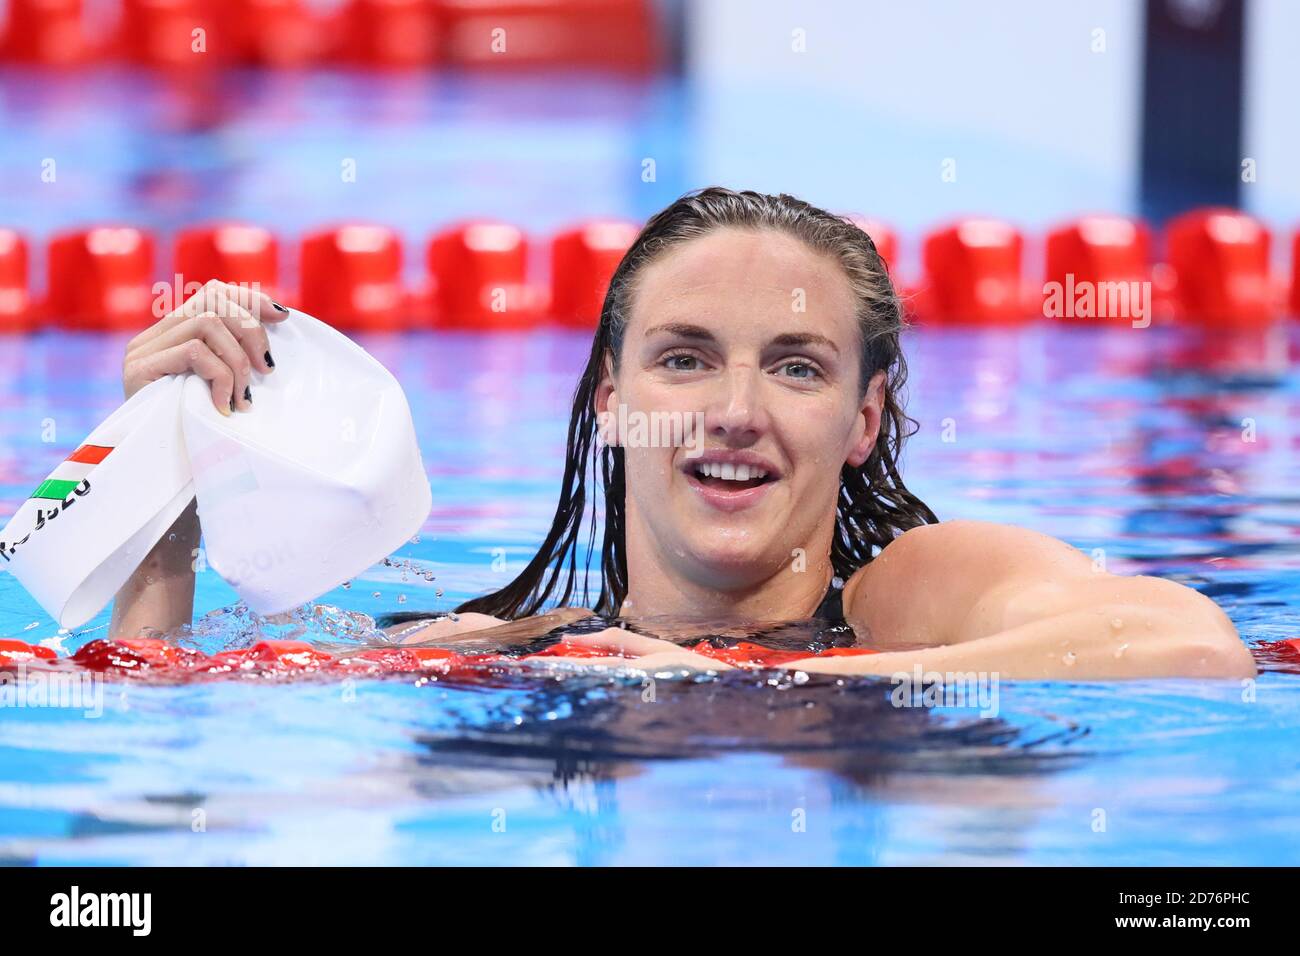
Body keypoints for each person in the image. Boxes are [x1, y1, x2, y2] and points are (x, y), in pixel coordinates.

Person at [109, 188, 1255, 680]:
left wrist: (763, 687)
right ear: (611, 397)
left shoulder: (904, 596)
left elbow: (1192, 649)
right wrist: (162, 509)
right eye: (685, 356)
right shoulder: (509, 651)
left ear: (863, 420)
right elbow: (158, 727)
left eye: (795, 367)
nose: (735, 410)